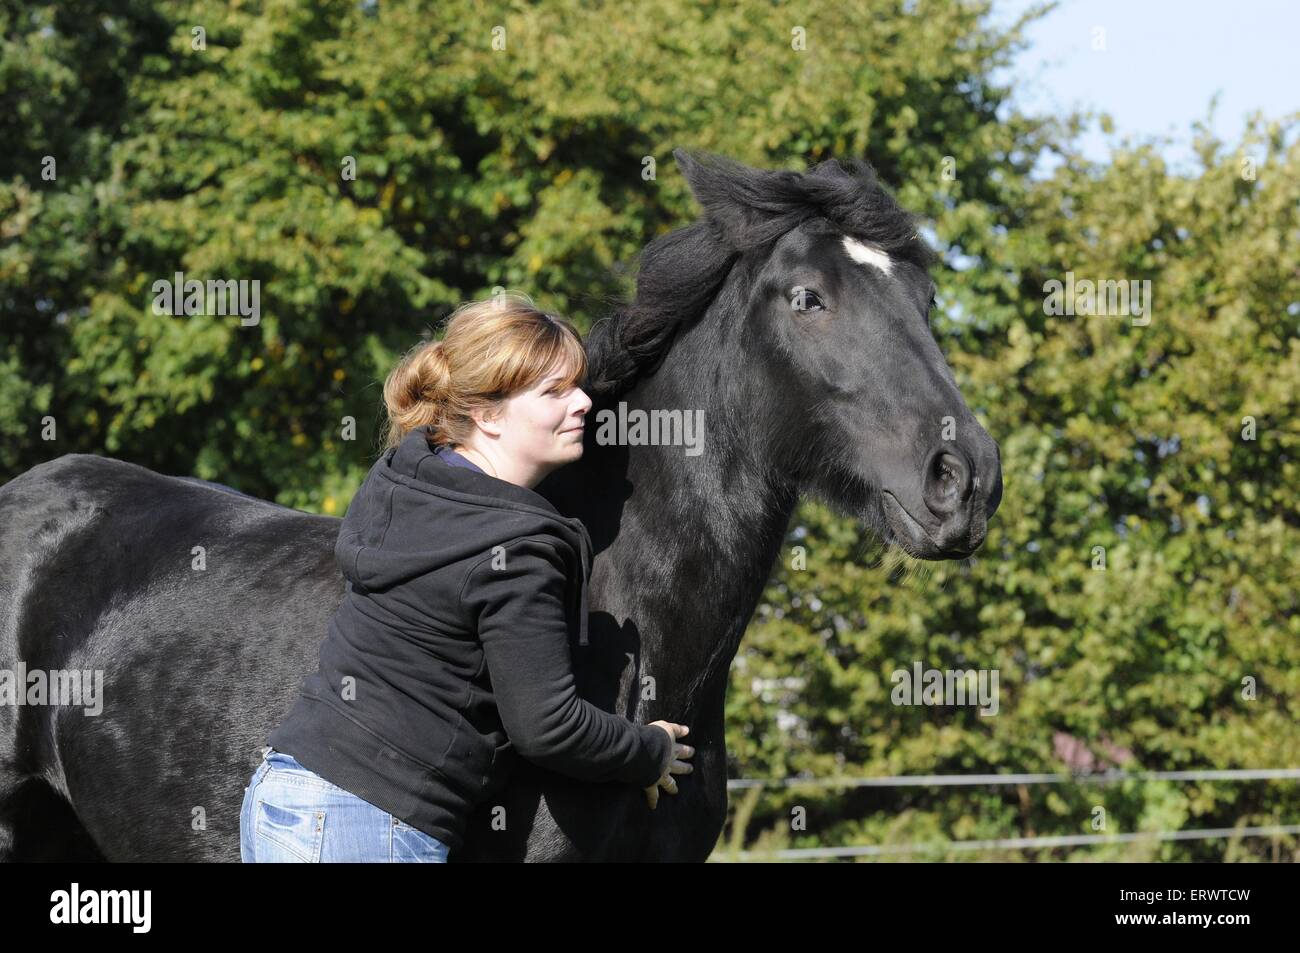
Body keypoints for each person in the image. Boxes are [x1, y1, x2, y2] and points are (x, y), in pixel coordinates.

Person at [239, 293, 693, 862]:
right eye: (554, 392)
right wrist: (646, 751)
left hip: (284, 795)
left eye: (576, 385)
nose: (583, 403)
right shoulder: (516, 547)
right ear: (488, 415)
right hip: (368, 829)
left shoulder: (405, 481)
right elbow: (547, 726)